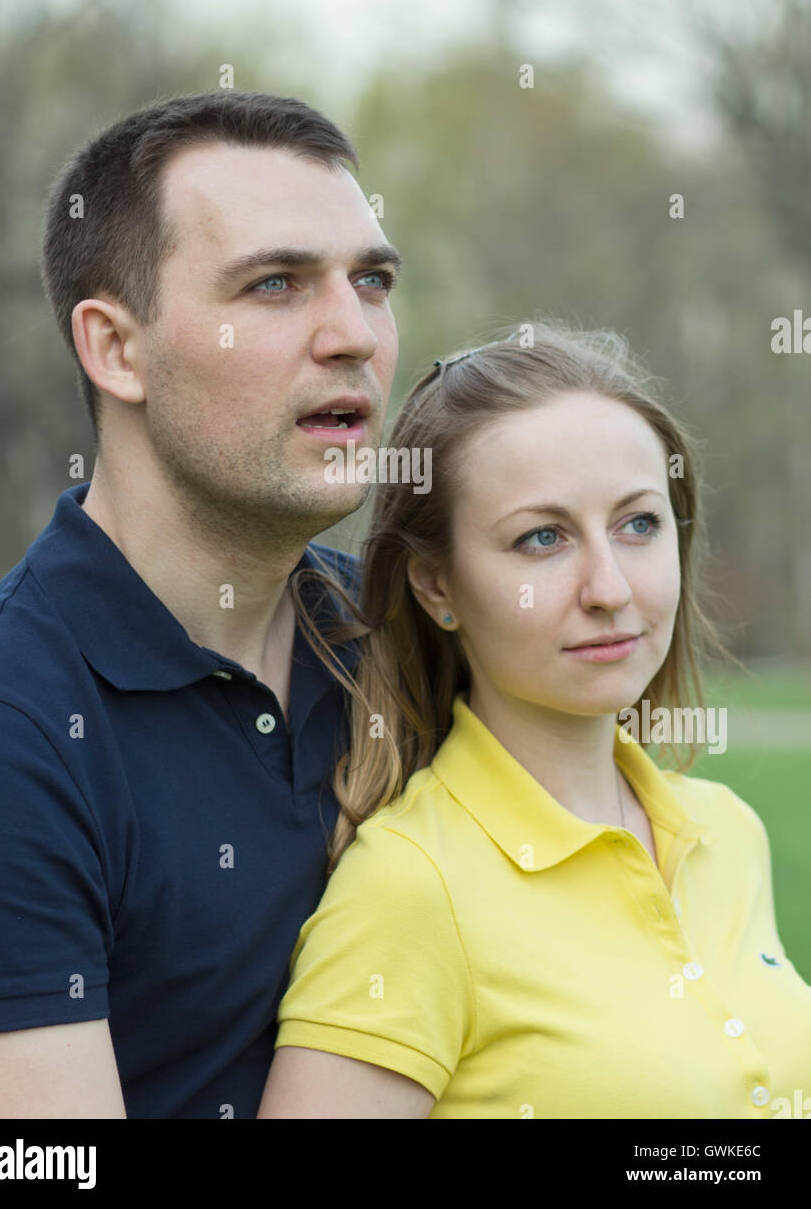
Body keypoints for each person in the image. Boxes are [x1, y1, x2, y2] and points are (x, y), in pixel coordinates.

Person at [0, 90, 401, 1118]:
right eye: (276, 283)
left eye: (370, 280)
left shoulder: (410, 638)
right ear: (115, 348)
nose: (354, 335)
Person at [258, 322, 811, 1119]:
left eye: (639, 523)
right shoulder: (415, 888)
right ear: (436, 585)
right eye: (542, 538)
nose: (610, 588)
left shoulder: (727, 832)